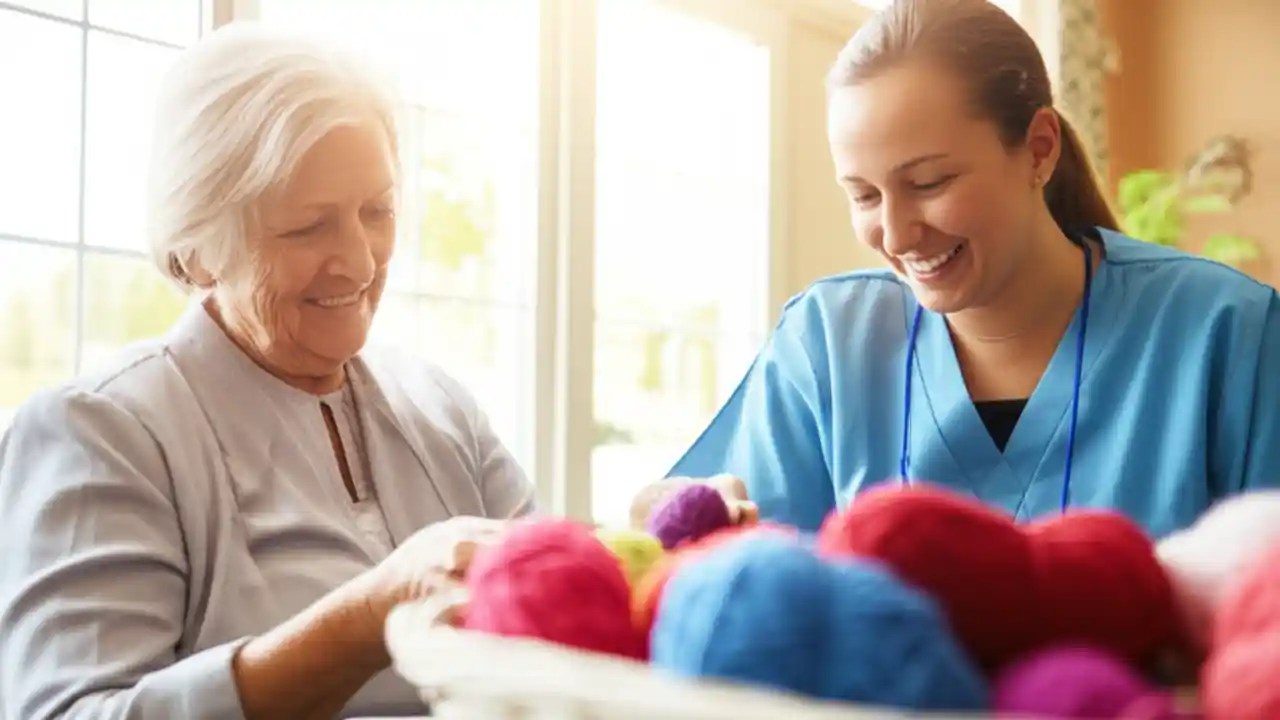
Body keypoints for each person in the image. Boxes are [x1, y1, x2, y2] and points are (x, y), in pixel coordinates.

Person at [0, 22, 533, 719]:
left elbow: (563, 617)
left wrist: (680, 556)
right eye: (308, 227)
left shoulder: (441, 407)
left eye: (377, 211)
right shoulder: (100, 433)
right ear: (199, 250)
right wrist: (367, 616)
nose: (363, 262)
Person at [645, 0, 1280, 540]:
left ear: (1038, 150)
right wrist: (699, 521)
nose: (894, 235)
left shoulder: (1229, 334)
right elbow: (745, 579)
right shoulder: (825, 346)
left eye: (929, 181)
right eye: (863, 195)